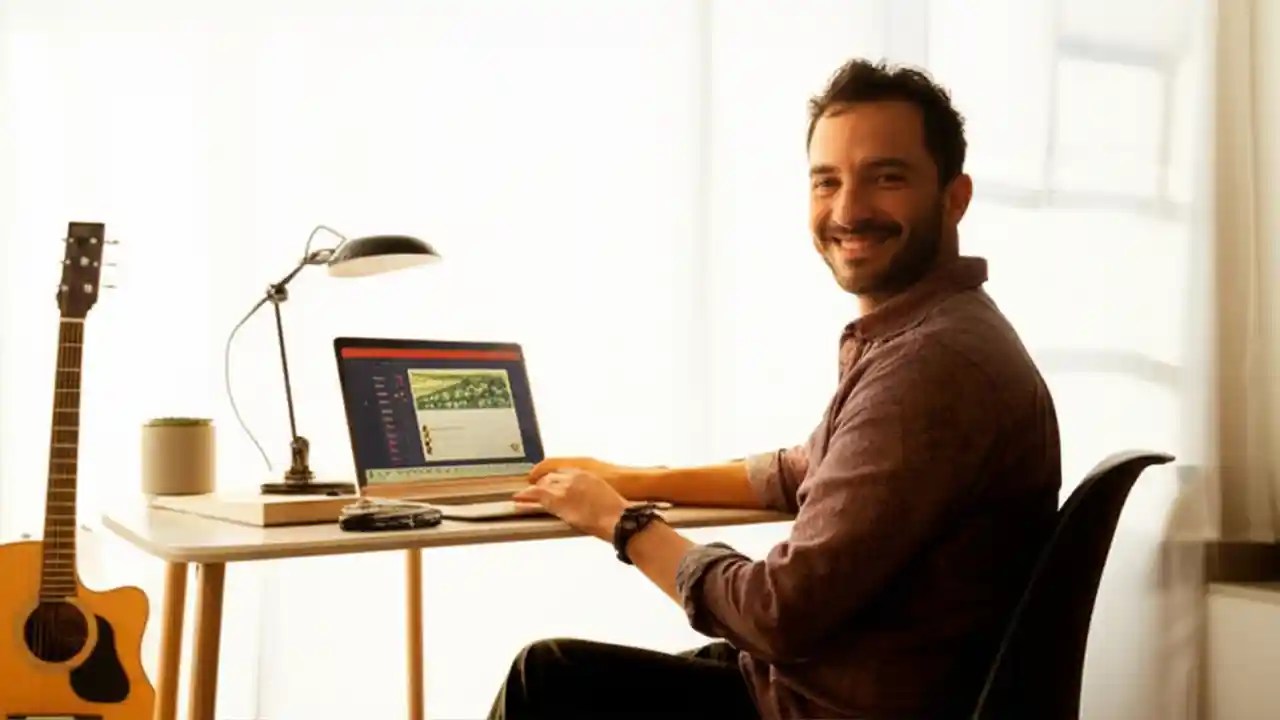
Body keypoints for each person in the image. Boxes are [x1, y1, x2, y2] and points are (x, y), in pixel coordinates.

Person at [489, 57, 1062, 720]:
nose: (848, 210)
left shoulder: (934, 367)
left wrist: (621, 522)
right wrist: (631, 476)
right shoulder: (931, 334)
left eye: (886, 177)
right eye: (827, 182)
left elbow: (775, 613)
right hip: (827, 684)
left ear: (953, 196)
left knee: (549, 680)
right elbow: (802, 469)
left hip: (829, 706)